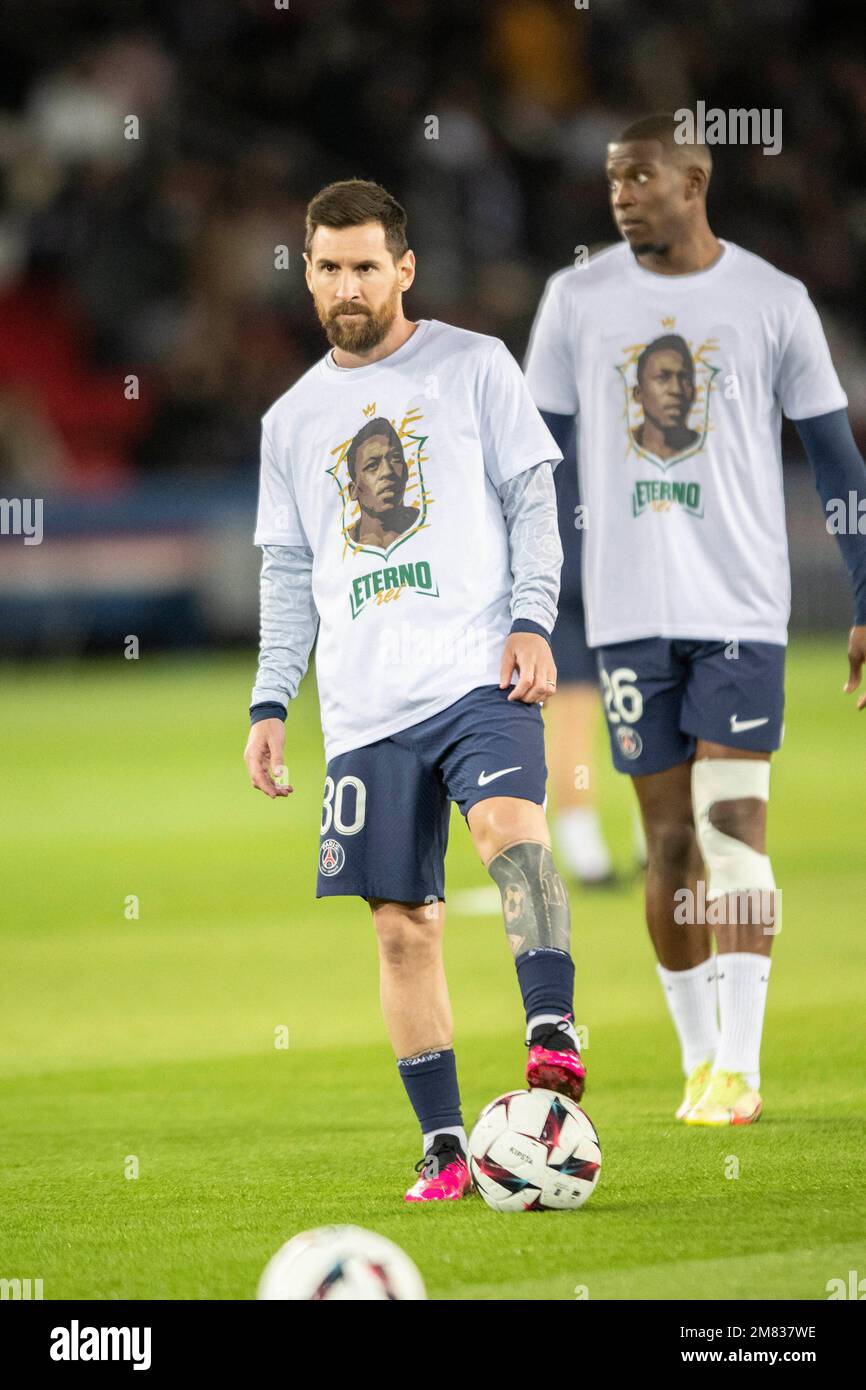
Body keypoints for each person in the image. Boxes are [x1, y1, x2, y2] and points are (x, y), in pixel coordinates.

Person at [244, 178, 585, 1201]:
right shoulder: (292, 419)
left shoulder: (473, 366)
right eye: (328, 266)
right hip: (361, 709)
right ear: (307, 271)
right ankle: (444, 1145)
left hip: (476, 668)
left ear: (403, 268)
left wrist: (531, 618)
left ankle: (549, 1025)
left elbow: (534, 502)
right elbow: (289, 574)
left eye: (365, 265)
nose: (347, 285)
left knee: (510, 832)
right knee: (403, 925)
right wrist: (269, 703)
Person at [525, 112, 866, 1127]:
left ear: (694, 176)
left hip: (740, 609)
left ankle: (741, 1067)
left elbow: (836, 463)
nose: (620, 194)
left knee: (730, 825)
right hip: (628, 616)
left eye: (637, 176)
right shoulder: (575, 302)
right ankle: (694, 1056)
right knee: (667, 843)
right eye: (611, 180)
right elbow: (531, 466)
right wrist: (527, 605)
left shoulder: (769, 300)